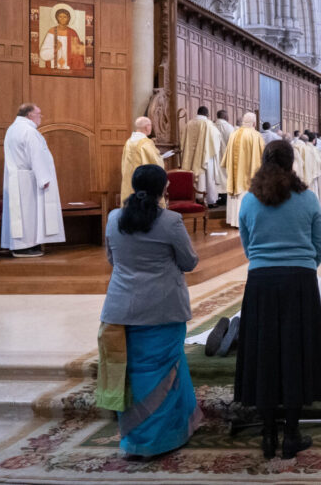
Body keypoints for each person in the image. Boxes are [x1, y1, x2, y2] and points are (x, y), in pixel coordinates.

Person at [99, 164, 201, 457]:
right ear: (163, 189)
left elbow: (112, 258)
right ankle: (159, 439)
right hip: (163, 308)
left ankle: (136, 438)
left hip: (121, 309)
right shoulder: (170, 221)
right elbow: (189, 261)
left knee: (135, 371)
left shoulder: (114, 218)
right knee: (164, 371)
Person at [234, 140, 321, 459]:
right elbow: (320, 245)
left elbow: (247, 245)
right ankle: (292, 434)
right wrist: (302, 267)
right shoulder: (308, 198)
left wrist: (265, 263)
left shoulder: (248, 200)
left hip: (261, 282)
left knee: (264, 353)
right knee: (296, 353)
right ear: (292, 163)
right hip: (299, 282)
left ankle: (267, 433)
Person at [2, 103, 65, 257]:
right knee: (28, 215)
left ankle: (21, 245)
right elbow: (36, 155)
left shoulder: (12, 129)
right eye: (39, 114)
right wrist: (43, 177)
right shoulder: (29, 131)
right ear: (30, 115)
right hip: (27, 180)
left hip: (17, 177)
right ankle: (24, 246)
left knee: (21, 215)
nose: (40, 117)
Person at [222, 112, 265, 227]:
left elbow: (227, 155)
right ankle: (247, 222)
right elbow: (262, 156)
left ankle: (234, 221)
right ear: (254, 123)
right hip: (250, 173)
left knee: (236, 196)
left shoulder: (234, 134)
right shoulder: (256, 135)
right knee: (246, 194)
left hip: (235, 174)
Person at [181, 106, 225, 206]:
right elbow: (217, 137)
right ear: (206, 114)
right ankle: (208, 200)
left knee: (194, 175)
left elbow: (183, 139)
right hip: (206, 155)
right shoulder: (208, 124)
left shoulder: (189, 123)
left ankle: (195, 198)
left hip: (190, 156)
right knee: (207, 177)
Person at [120, 117, 164, 204]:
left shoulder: (128, 142)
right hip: (143, 182)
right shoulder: (146, 143)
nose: (151, 128)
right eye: (151, 125)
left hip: (129, 180)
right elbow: (156, 162)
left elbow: (123, 163)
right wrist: (160, 158)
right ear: (147, 127)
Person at [38, 6, 86, 71]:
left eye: (65, 17)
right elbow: (43, 54)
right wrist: (56, 49)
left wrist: (78, 49)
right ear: (57, 18)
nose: (62, 19)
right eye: (60, 16)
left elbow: (78, 53)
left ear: (68, 18)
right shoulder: (52, 31)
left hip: (69, 66)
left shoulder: (72, 32)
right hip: (53, 65)